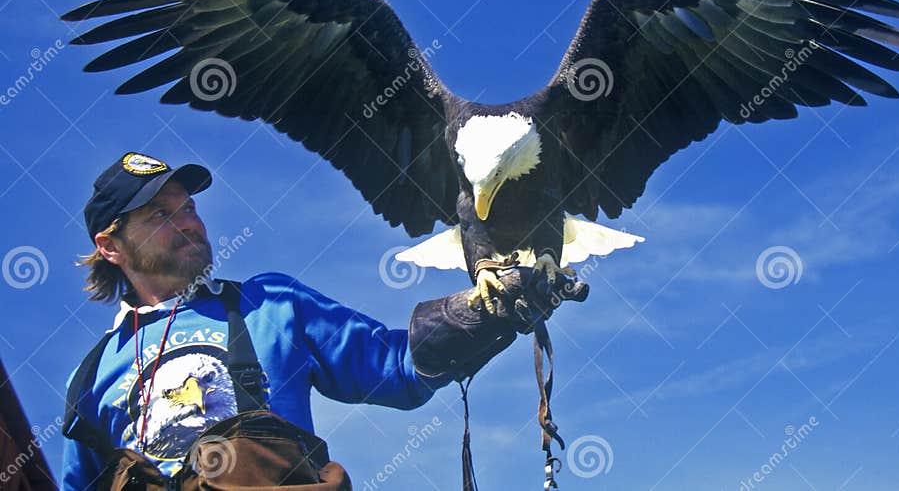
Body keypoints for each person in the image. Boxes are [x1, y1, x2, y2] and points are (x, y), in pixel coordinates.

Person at [61, 152, 581, 490]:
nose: (188, 223)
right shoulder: (90, 376)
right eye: (160, 215)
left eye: (189, 207)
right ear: (110, 246)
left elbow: (399, 370)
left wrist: (483, 309)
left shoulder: (272, 305)